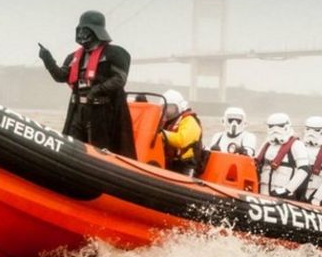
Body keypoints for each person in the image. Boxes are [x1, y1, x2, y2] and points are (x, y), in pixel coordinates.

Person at [38, 10, 136, 159]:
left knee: (99, 151)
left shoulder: (115, 53)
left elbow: (119, 79)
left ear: (96, 31)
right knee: (71, 147)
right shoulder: (74, 57)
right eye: (80, 30)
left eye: (86, 30)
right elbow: (61, 76)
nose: (82, 34)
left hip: (101, 112)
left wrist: (96, 90)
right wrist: (48, 60)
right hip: (78, 111)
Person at [256, 113, 310, 199]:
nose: (275, 130)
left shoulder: (296, 145)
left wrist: (287, 189)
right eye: (271, 126)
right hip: (263, 192)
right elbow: (255, 163)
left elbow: (304, 170)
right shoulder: (266, 145)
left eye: (279, 126)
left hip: (283, 194)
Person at [160, 89, 203, 176]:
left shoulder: (190, 120)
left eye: (169, 107)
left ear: (179, 106)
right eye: (164, 107)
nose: (166, 111)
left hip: (186, 165)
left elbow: (182, 140)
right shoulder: (166, 123)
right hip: (170, 163)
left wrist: (163, 133)